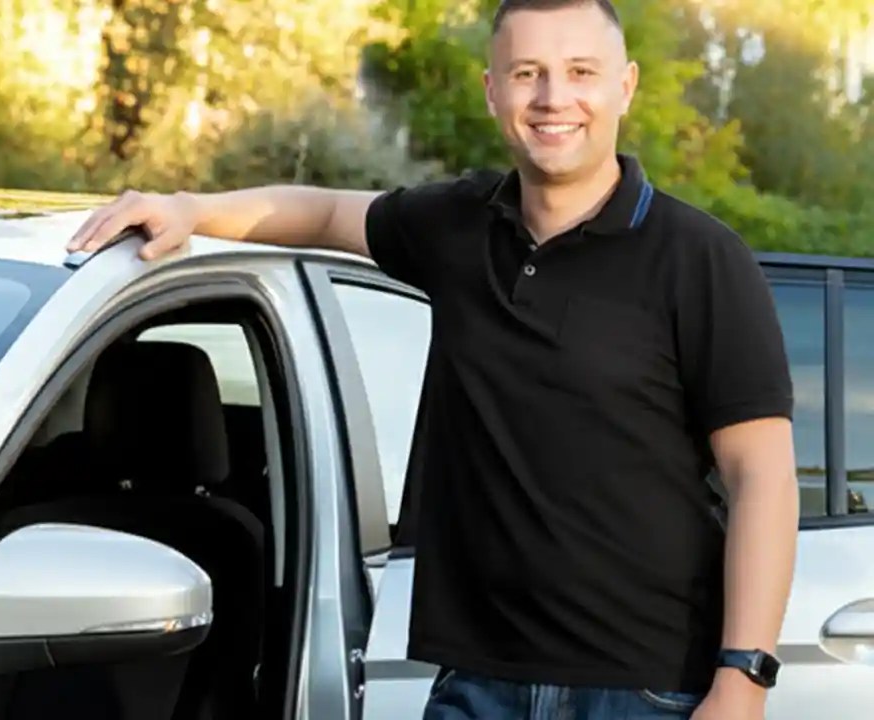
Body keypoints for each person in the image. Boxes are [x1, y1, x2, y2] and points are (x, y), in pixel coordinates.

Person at [65, 0, 800, 718]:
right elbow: (325, 213)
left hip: (645, 690)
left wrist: (744, 680)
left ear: (625, 86)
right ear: (492, 90)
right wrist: (190, 210)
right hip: (478, 684)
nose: (553, 98)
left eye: (581, 71)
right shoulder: (456, 226)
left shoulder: (700, 259)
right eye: (527, 73)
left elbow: (761, 477)